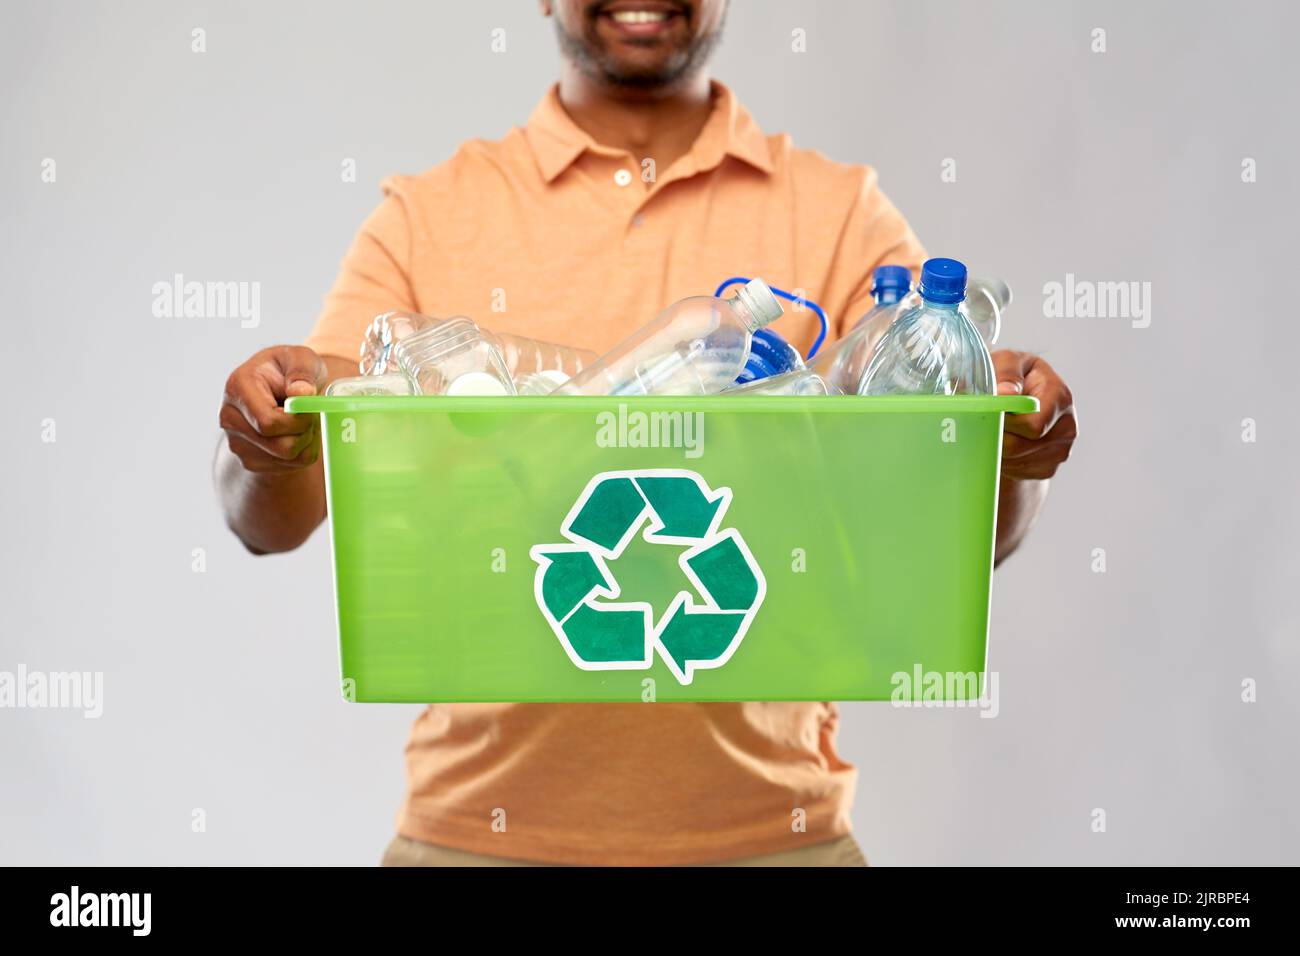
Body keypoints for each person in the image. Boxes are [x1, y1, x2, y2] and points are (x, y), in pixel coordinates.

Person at [215, 0, 1077, 867]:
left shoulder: (842, 213)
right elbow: (271, 518)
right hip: (475, 838)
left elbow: (951, 531)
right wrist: (264, 441)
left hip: (779, 840)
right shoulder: (429, 214)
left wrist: (1011, 460)